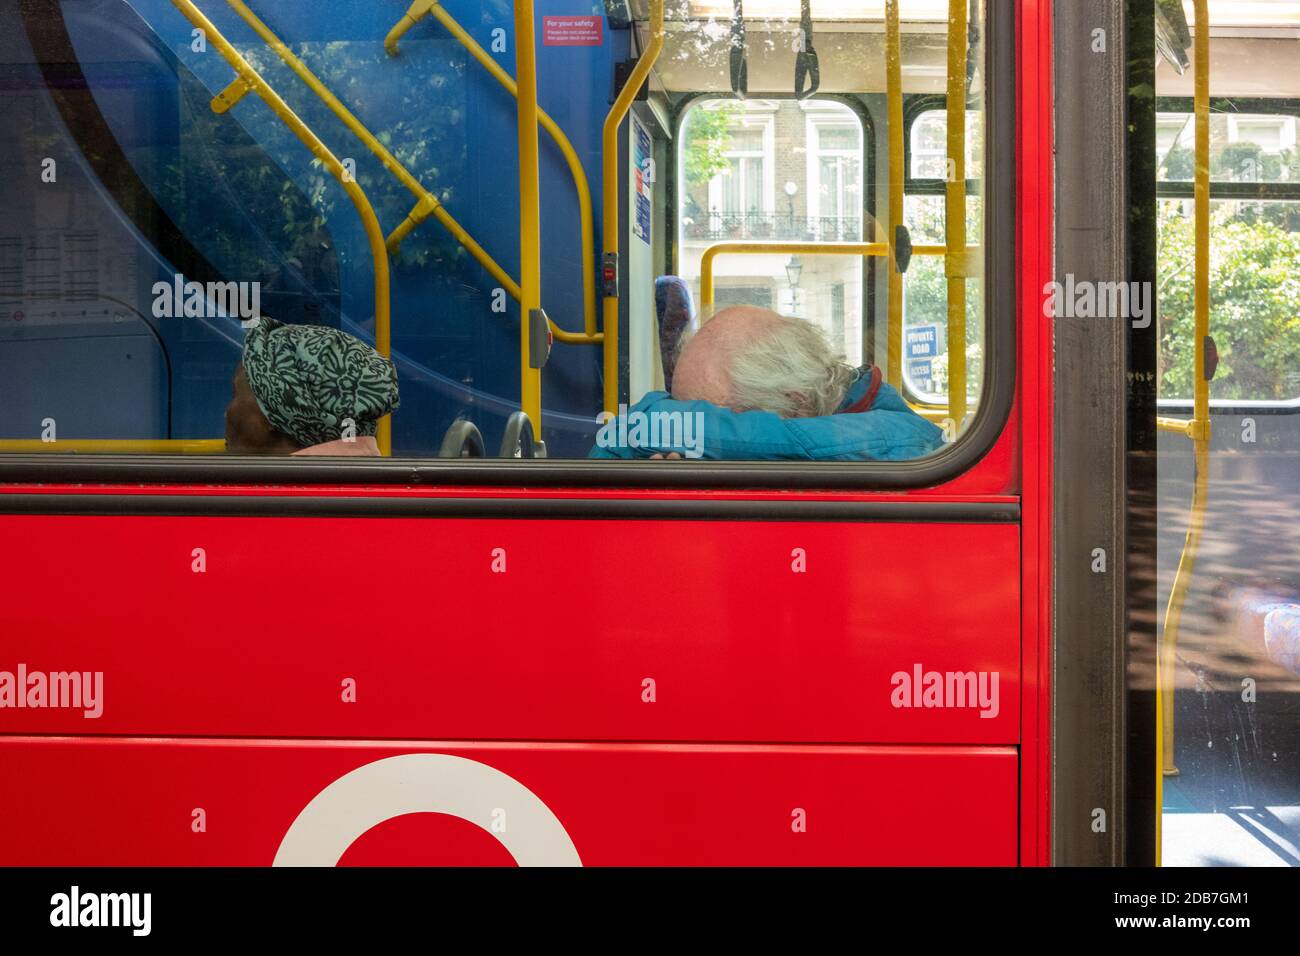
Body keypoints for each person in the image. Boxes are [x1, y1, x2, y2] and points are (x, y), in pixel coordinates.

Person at [590, 305, 944, 461]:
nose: (698, 434)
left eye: (720, 421)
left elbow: (630, 432)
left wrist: (646, 422)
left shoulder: (897, 440)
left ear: (796, 405)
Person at [224, 317, 399, 456]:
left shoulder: (274, 497)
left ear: (276, 412)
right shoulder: (377, 486)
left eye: (235, 394)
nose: (228, 412)